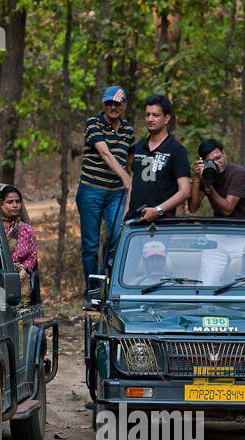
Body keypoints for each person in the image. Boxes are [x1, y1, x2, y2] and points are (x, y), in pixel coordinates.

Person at [78, 86, 134, 289]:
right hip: (91, 190)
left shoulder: (128, 129)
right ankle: (93, 291)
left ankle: (108, 287)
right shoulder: (93, 123)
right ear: (103, 104)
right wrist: (125, 177)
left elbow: (130, 158)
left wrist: (130, 180)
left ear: (124, 105)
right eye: (109, 103)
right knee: (90, 245)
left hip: (116, 194)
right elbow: (105, 154)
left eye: (117, 103)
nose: (112, 107)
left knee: (117, 236)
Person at [124, 94, 191, 222]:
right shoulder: (139, 146)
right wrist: (125, 216)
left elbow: (185, 191)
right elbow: (134, 183)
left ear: (166, 118)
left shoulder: (176, 150)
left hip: (162, 223)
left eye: (155, 115)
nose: (150, 119)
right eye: (147, 115)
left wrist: (158, 210)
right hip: (134, 222)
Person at [187, 138, 245, 218]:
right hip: (220, 225)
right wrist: (197, 177)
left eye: (218, 158)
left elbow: (227, 210)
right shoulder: (205, 174)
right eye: (209, 161)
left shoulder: (238, 174)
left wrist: (208, 186)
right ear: (203, 162)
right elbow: (192, 208)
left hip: (242, 226)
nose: (216, 163)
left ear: (224, 154)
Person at [0, 184, 37, 282]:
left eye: (18, 202)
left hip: (21, 279)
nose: (15, 205)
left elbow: (32, 256)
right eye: (10, 202)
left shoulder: (26, 230)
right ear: (1, 204)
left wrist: (24, 269)